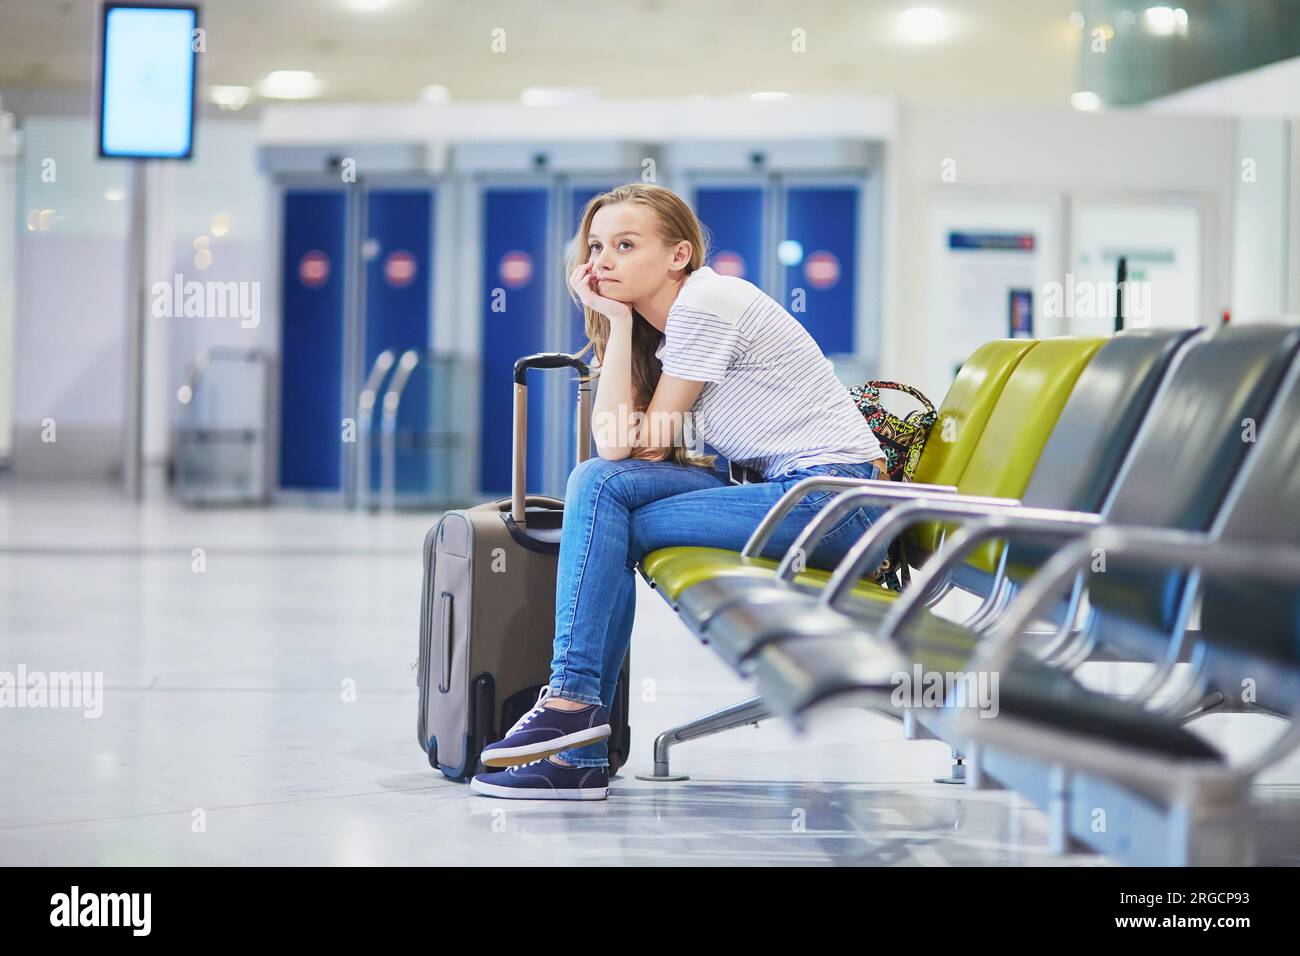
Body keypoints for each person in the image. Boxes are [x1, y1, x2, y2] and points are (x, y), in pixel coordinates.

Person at [470, 183, 887, 800]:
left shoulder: (707, 302)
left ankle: (574, 719)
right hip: (783, 494)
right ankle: (575, 720)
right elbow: (619, 448)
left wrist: (613, 320)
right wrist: (614, 324)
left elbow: (635, 443)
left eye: (625, 244)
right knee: (596, 486)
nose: (602, 261)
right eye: (595, 246)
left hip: (838, 507)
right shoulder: (663, 329)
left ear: (679, 255)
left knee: (606, 519)